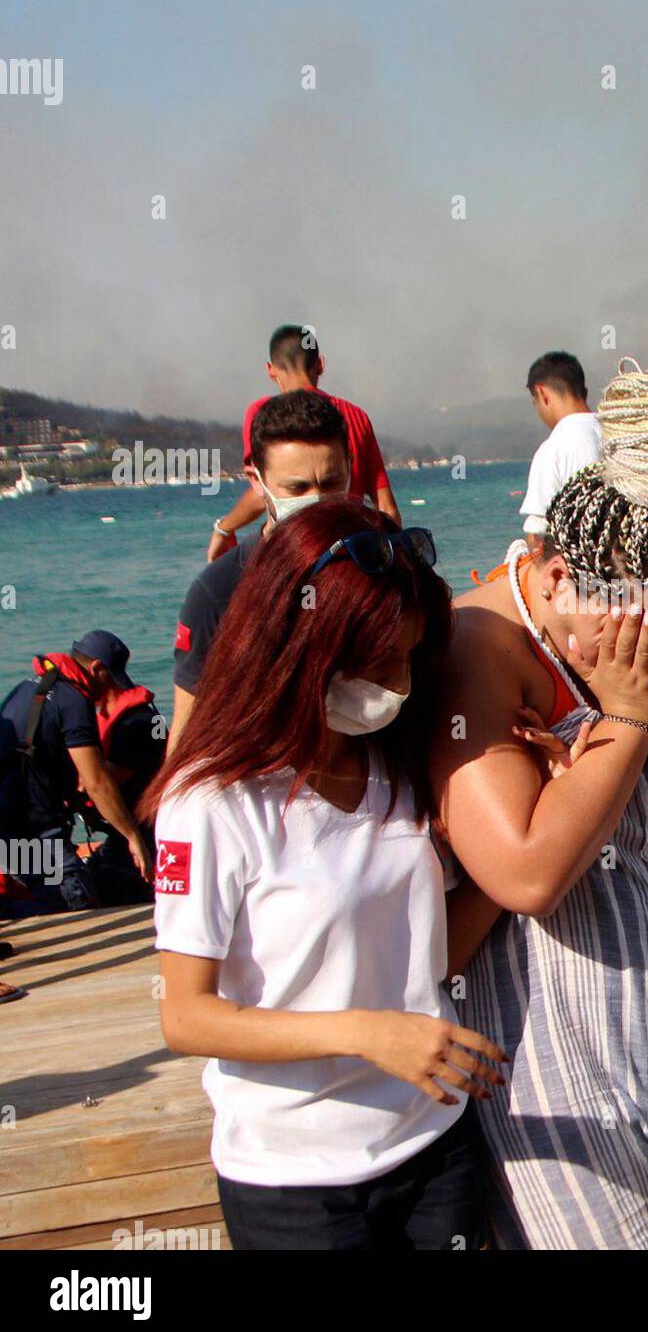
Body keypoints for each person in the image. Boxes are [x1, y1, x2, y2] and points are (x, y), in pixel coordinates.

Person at [434, 358, 648, 1250]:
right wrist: (628, 715)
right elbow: (528, 871)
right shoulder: (485, 644)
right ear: (550, 574)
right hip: (550, 1050)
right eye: (627, 627)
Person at [144, 498, 506, 1250]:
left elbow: (425, 958)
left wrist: (524, 851)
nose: (397, 683)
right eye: (374, 663)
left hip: (434, 1144)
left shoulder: (397, 767)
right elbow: (185, 1016)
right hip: (295, 1182)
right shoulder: (210, 802)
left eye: (408, 656)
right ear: (296, 644)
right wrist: (370, 1035)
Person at [170, 391, 353, 748]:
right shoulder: (219, 591)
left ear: (349, 465)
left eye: (331, 483)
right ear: (257, 481)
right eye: (296, 488)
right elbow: (187, 727)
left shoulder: (387, 564)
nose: (316, 499)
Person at [206, 324, 399, 561]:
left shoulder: (264, 415)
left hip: (296, 552)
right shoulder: (356, 416)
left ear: (271, 370)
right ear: (320, 364)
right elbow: (387, 509)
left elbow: (264, 493)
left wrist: (224, 528)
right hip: (350, 556)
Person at [0, 632, 152, 915]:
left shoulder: (28, 688)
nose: (108, 691)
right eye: (110, 679)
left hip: (10, 829)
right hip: (38, 834)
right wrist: (133, 836)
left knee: (47, 896)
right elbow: (96, 781)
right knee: (80, 907)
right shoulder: (73, 700)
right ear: (96, 669)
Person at [79, 631, 166, 906]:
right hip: (123, 832)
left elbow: (101, 782)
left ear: (97, 669)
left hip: (142, 834)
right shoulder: (112, 716)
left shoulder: (137, 723)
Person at [519, 351, 601, 550]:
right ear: (584, 392)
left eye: (535, 402)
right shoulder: (622, 432)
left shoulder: (552, 450)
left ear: (543, 394)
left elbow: (538, 539)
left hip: (584, 576)